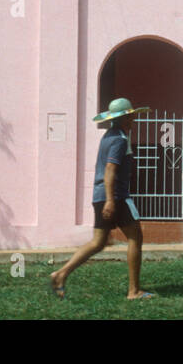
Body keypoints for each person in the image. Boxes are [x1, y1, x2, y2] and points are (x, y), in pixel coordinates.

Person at [49, 98, 155, 300]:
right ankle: (133, 291)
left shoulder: (109, 136)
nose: (134, 118)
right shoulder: (119, 140)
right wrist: (110, 200)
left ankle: (60, 274)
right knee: (135, 237)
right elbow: (110, 168)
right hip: (115, 196)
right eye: (131, 115)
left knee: (99, 242)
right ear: (125, 118)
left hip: (101, 195)